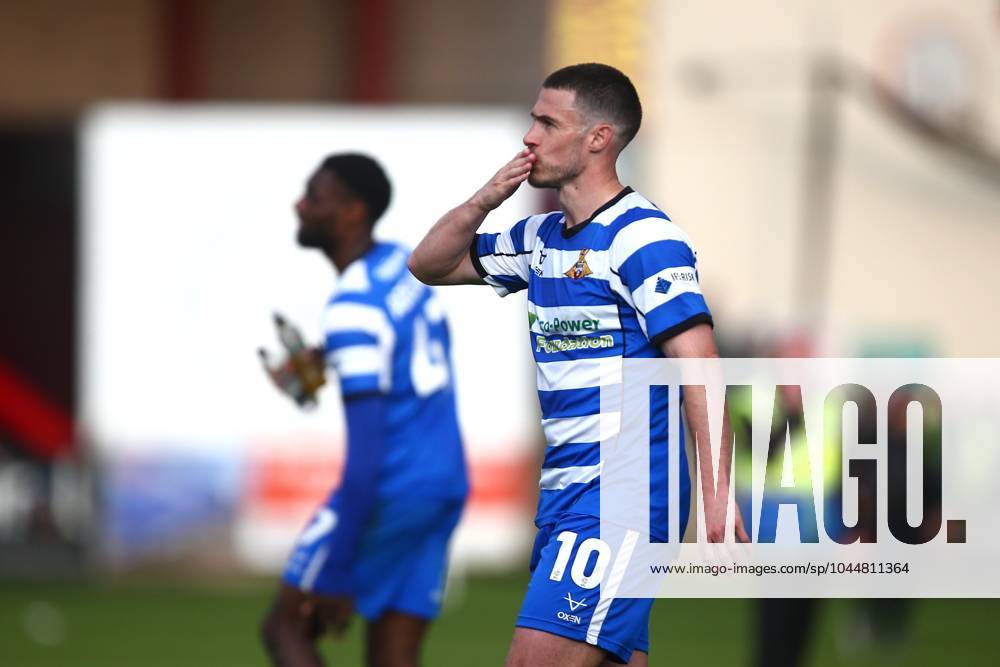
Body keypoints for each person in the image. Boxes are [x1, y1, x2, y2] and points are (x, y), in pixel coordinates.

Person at [408, 63, 747, 667]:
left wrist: (719, 491)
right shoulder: (539, 239)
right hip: (567, 493)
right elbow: (429, 263)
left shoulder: (644, 239)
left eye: (546, 122)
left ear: (598, 138)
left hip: (620, 496)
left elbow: (700, 365)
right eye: (531, 119)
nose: (529, 136)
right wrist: (486, 199)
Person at [260, 153, 468, 667]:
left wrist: (336, 570)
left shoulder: (352, 309)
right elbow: (416, 337)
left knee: (285, 627)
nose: (300, 205)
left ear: (352, 212)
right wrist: (326, 355)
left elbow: (366, 457)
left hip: (391, 490)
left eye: (314, 197)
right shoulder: (405, 263)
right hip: (444, 485)